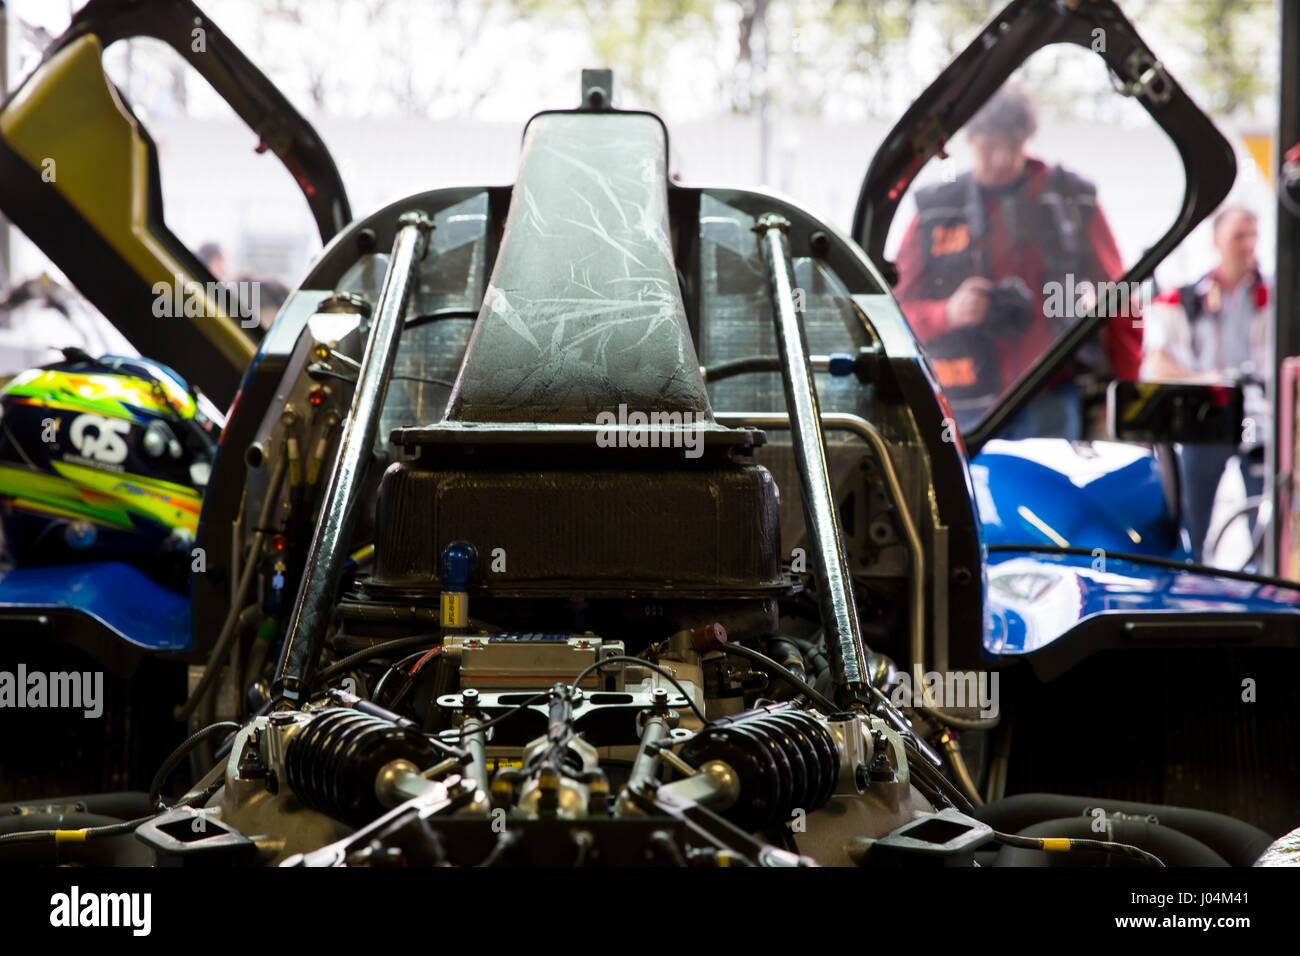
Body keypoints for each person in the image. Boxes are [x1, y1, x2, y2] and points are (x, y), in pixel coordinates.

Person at [894, 83, 1140, 438]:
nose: (1001, 158)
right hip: (963, 403)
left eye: (1012, 144)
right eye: (989, 146)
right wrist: (948, 312)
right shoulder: (936, 210)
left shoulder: (1073, 199)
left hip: (1050, 396)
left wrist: (1129, 399)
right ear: (969, 140)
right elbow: (893, 310)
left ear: (1027, 138)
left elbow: (1119, 298)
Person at [1141, 205, 1270, 563]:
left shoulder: (1277, 297)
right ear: (1217, 241)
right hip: (1205, 421)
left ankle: (1268, 589)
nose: (1248, 245)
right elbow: (1156, 363)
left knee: (1267, 525)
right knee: (1190, 524)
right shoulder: (1184, 300)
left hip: (1262, 424)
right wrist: (1209, 381)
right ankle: (1190, 579)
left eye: (1253, 236)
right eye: (1238, 236)